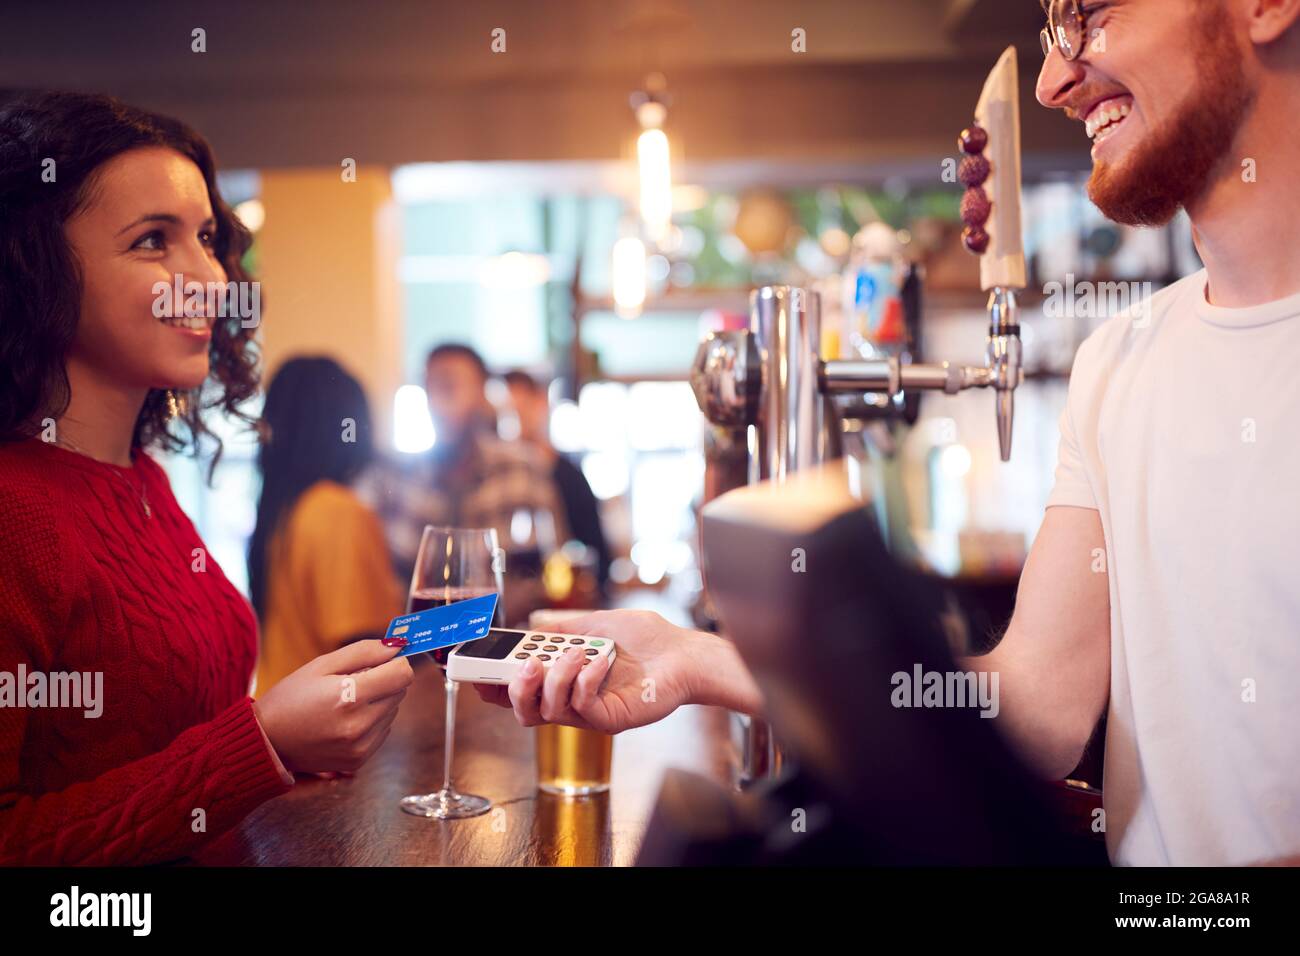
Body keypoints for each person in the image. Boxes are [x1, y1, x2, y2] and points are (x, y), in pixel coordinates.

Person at [476, 0, 1300, 866]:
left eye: (1091, 14)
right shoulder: (1118, 364)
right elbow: (1037, 707)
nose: (1055, 82)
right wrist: (694, 660)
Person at [0, 92, 413, 865]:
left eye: (208, 239)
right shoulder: (14, 512)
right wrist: (257, 743)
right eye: (153, 241)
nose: (211, 279)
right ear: (34, 268)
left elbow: (164, 755)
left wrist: (282, 750)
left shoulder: (144, 484)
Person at [359, 344, 568, 623]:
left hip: (505, 648)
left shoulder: (522, 468)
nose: (438, 401)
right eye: (430, 388)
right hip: (418, 657)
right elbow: (378, 583)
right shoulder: (395, 476)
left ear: (482, 392)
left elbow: (555, 566)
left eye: (450, 386)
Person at [249, 356, 404, 694]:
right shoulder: (338, 512)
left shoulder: (283, 511)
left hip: (279, 709)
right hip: (321, 726)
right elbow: (370, 656)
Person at [503, 369, 611, 593]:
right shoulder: (493, 480)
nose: (515, 422)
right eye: (508, 413)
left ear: (542, 403)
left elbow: (598, 555)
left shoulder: (569, 477)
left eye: (522, 410)